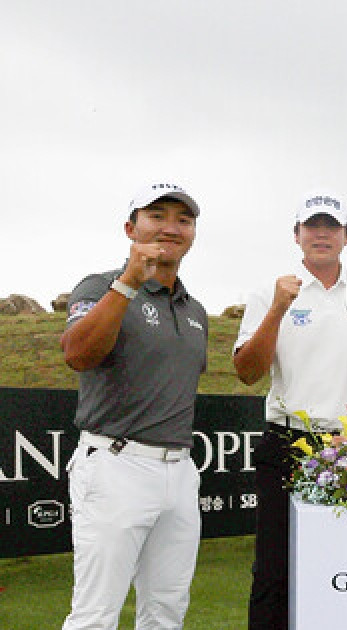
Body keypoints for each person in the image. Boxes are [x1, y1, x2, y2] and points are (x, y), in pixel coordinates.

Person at [60, 183, 208, 629]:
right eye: (157, 215)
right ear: (131, 227)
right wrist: (126, 284)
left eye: (183, 219)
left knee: (166, 610)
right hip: (115, 463)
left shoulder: (195, 309)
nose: (171, 227)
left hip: (179, 471)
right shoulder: (99, 285)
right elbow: (77, 354)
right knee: (96, 613)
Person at [233, 191, 347, 630]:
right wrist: (278, 309)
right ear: (296, 236)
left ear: (346, 237)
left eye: (331, 226)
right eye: (312, 226)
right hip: (289, 442)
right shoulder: (268, 294)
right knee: (275, 570)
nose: (321, 234)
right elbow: (247, 371)